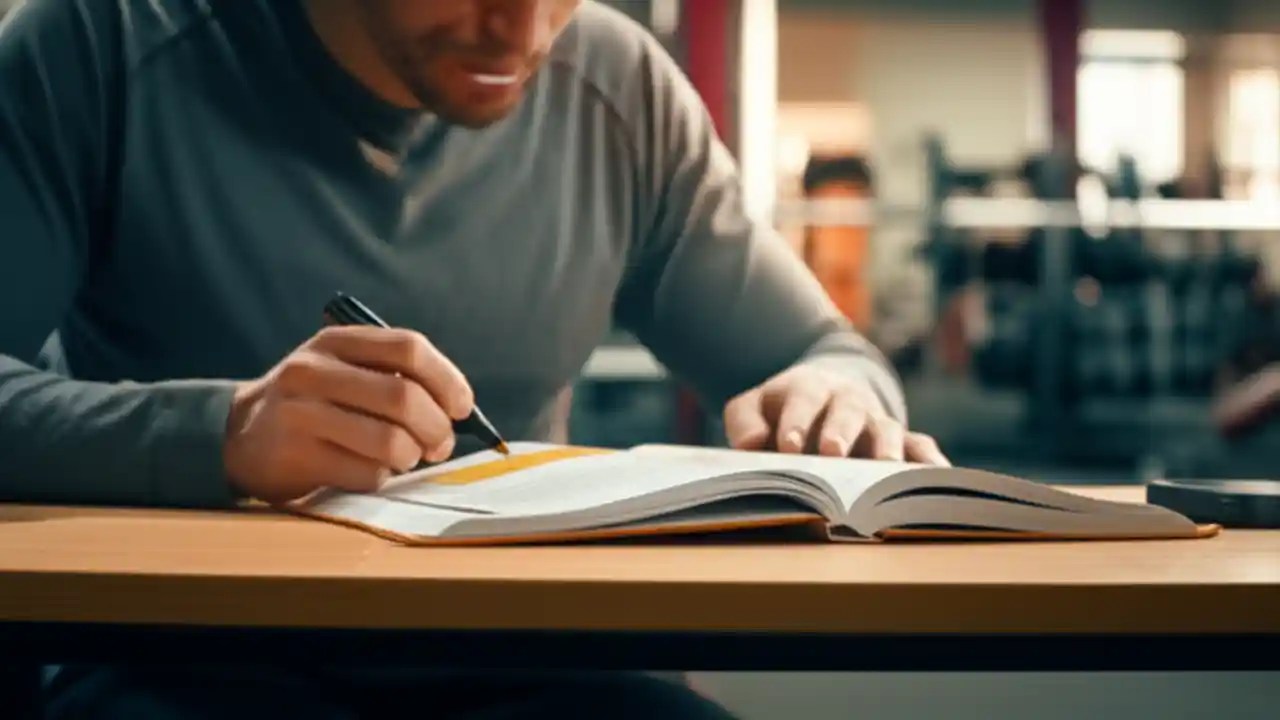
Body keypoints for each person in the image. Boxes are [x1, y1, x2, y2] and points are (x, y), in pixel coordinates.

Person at [0, 0, 948, 717]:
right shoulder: (100, 44)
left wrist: (840, 393)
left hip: (532, 657)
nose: (524, 33)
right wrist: (223, 434)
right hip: (184, 658)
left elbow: (821, 351)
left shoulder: (614, 82)